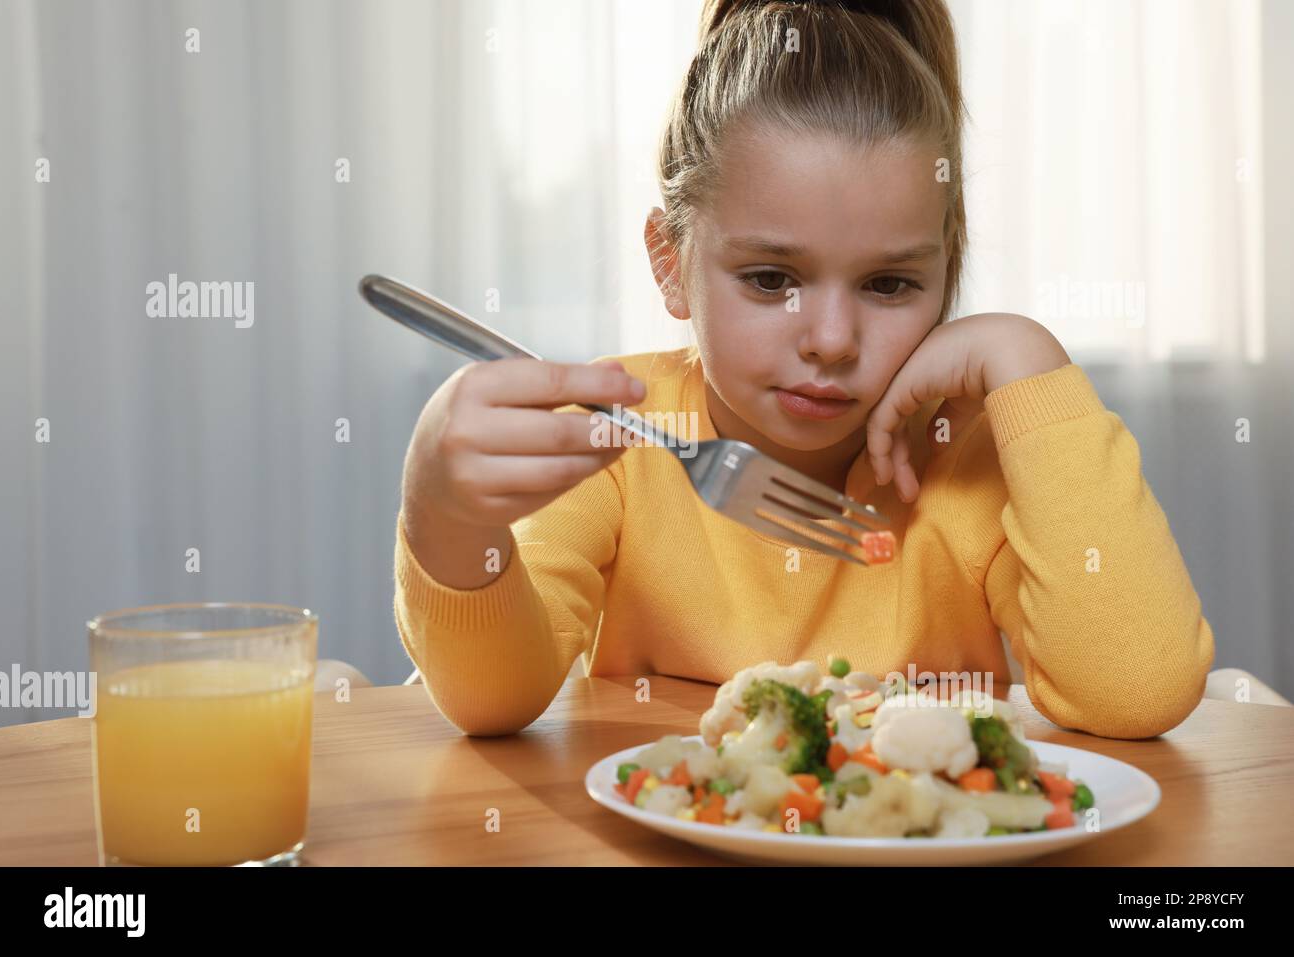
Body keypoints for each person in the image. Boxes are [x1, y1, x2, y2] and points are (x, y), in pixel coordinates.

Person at [392, 0, 1215, 740]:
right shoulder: (617, 440)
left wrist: (1029, 358)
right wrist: (448, 522)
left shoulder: (969, 458)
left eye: (888, 284)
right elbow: (494, 704)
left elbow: (1136, 694)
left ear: (945, 274)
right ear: (672, 262)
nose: (828, 338)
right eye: (771, 280)